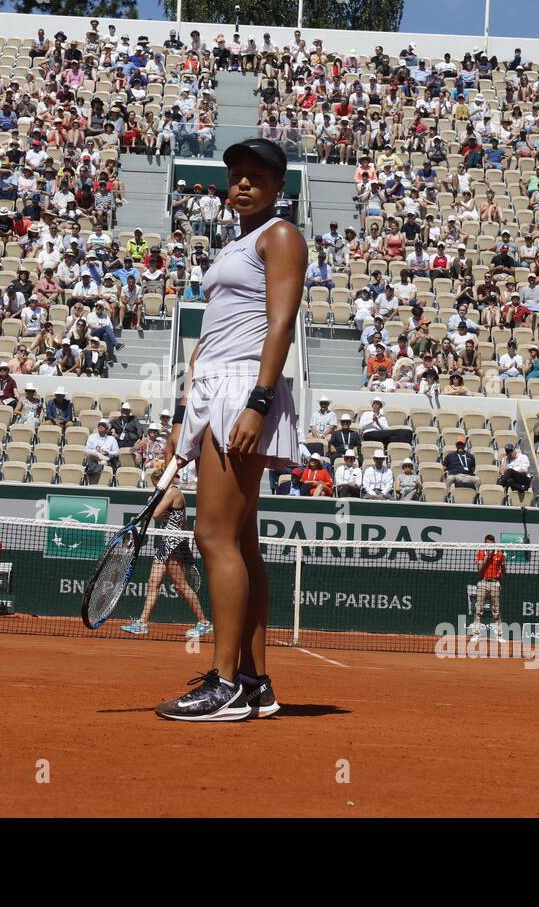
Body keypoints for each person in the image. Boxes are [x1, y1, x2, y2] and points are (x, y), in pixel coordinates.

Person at [159, 138, 303, 721]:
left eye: (256, 177)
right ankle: (254, 680)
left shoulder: (281, 236)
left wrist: (257, 403)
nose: (242, 185)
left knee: (213, 538)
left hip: (243, 391)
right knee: (241, 542)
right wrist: (181, 413)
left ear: (277, 188)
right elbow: (210, 336)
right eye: (236, 176)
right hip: (213, 392)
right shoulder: (236, 243)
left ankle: (225, 684)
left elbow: (281, 322)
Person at [121, 463, 212, 638]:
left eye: (157, 484)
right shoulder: (170, 494)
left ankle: (204, 623)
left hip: (172, 543)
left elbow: (155, 515)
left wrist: (151, 503)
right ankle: (142, 624)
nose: (156, 488)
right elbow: (184, 522)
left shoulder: (173, 492)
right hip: (165, 542)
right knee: (153, 583)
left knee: (180, 585)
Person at [472, 534, 506, 639]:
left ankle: (499, 635)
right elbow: (479, 570)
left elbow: (504, 570)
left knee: (496, 610)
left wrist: (499, 580)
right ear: (485, 543)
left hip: (495, 583)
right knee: (479, 609)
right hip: (483, 582)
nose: (489, 546)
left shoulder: (500, 554)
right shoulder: (480, 552)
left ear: (494, 544)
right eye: (488, 544)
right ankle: (476, 634)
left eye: (491, 544)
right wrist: (487, 558)